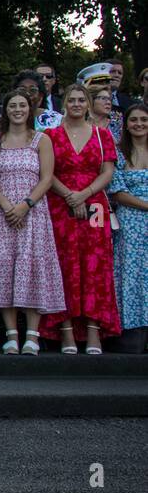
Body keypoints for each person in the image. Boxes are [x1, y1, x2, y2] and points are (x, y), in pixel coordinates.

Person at [0, 87, 65, 355]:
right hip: (0, 212)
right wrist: (8, 206)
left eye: (22, 105)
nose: (18, 110)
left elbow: (47, 178)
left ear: (30, 110)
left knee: (31, 268)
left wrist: (25, 205)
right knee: (5, 268)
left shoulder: (41, 140)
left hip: (33, 212)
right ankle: (11, 334)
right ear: (5, 111)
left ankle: (32, 334)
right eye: (12, 106)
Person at [41, 84, 119, 354]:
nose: (76, 104)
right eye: (71, 100)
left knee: (95, 266)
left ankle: (94, 331)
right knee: (63, 265)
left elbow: (107, 172)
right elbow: (46, 173)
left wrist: (84, 195)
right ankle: (65, 331)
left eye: (81, 100)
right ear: (64, 104)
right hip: (59, 204)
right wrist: (70, 197)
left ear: (88, 104)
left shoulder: (102, 136)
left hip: (95, 205)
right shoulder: (50, 135)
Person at [109, 102, 148, 352]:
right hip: (131, 220)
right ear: (126, 124)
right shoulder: (119, 152)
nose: (139, 124)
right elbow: (117, 192)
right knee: (131, 274)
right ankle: (133, 332)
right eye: (134, 120)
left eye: (144, 120)